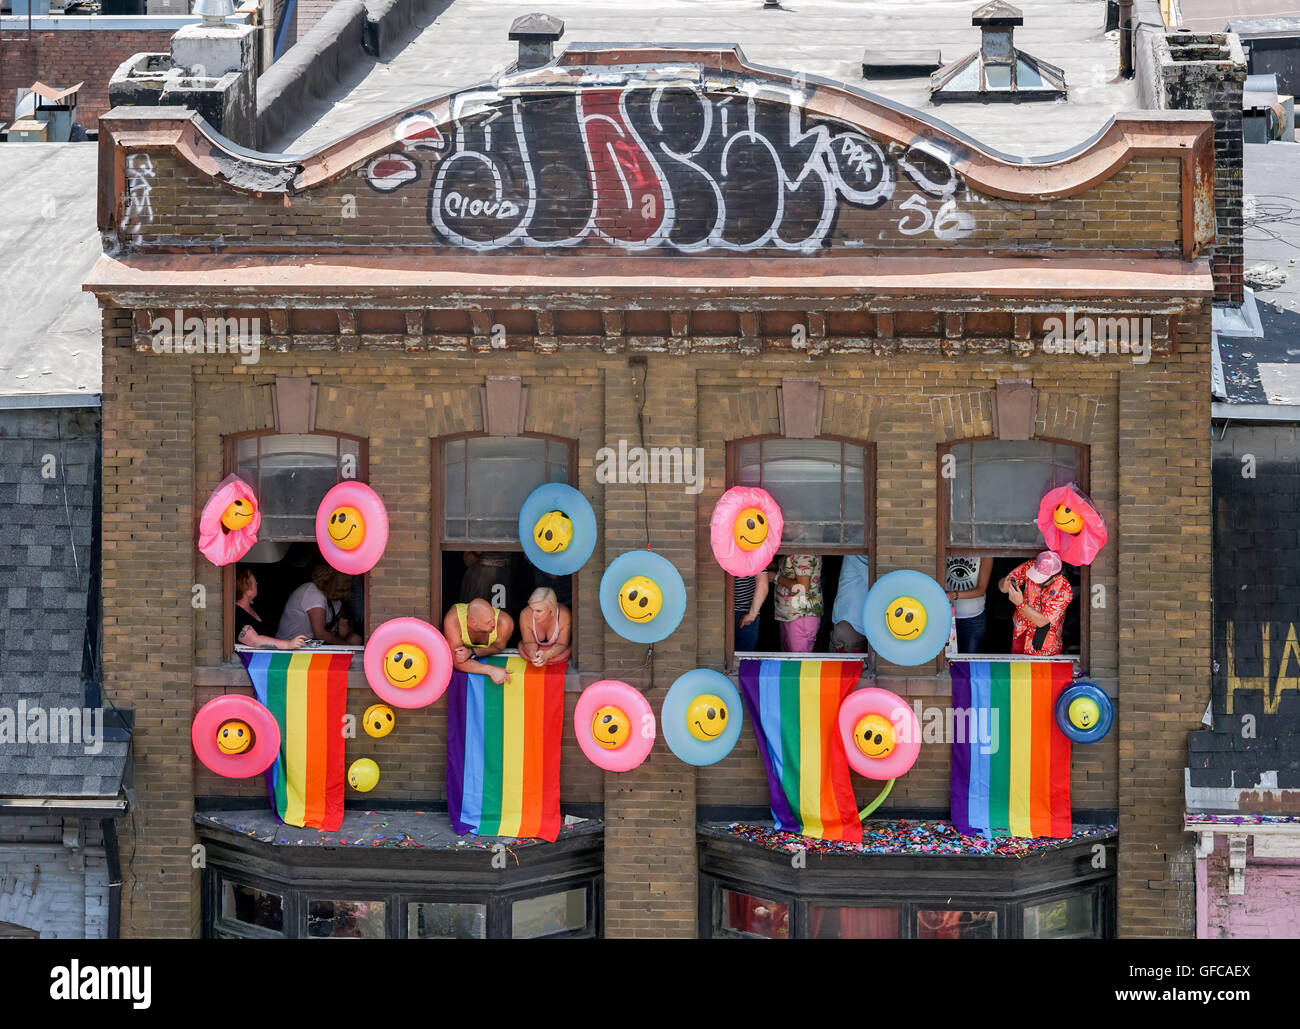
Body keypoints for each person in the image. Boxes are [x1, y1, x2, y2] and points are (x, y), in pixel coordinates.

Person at [998, 551, 1073, 656]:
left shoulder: (1064, 590)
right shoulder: (1032, 565)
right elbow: (1004, 583)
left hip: (1045, 642)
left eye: (1041, 580)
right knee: (1017, 668)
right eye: (1035, 576)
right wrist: (1004, 585)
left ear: (1055, 577)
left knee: (1043, 671)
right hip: (1021, 631)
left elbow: (1043, 621)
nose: (1036, 581)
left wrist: (1020, 604)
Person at [276, 564, 362, 645]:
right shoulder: (313, 593)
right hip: (297, 643)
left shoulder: (332, 595)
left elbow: (340, 612)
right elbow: (320, 634)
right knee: (351, 644)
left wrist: (343, 620)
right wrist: (345, 645)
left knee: (355, 639)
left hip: (315, 642)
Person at [444, 597, 516, 684]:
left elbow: (498, 648)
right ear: (473, 622)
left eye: (493, 618)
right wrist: (491, 670)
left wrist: (471, 651)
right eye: (488, 622)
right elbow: (457, 661)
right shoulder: (453, 620)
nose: (493, 624)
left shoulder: (504, 622)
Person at [233, 568, 307, 650]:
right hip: (248, 661)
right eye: (255, 584)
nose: (257, 584)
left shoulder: (254, 607)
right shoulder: (236, 613)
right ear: (247, 591)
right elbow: (254, 640)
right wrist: (287, 644)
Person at [773, 554, 823, 653]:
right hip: (790, 614)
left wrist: (776, 577)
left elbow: (801, 588)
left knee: (798, 661)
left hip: (801, 616)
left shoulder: (803, 553)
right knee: (789, 659)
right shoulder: (794, 549)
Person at [945, 555, 993, 654]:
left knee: (967, 661)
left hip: (973, 618)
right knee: (946, 659)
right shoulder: (948, 545)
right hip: (946, 614)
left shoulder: (985, 553)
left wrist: (953, 595)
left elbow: (981, 590)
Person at [519, 587, 571, 667]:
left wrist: (547, 654)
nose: (533, 614)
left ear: (551, 609)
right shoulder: (525, 614)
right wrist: (533, 655)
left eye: (539, 611)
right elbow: (529, 642)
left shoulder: (564, 615)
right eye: (532, 609)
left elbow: (562, 644)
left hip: (557, 652)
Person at [830, 554, 871, 654]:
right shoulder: (858, 552)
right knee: (844, 665)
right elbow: (877, 577)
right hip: (851, 622)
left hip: (851, 619)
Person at [734, 569, 769, 653]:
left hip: (743, 613)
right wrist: (752, 615)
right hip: (745, 613)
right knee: (743, 658)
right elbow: (762, 585)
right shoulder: (756, 557)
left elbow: (763, 586)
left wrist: (751, 614)